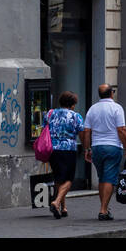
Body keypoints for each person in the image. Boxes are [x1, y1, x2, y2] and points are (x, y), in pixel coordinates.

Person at [83, 84, 126, 220]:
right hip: (113, 146)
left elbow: (87, 131)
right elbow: (121, 129)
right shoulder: (116, 108)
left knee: (102, 178)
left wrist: (87, 149)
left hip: (97, 147)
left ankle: (104, 207)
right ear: (111, 93)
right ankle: (103, 210)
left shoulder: (92, 109)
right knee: (109, 178)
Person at [42, 91, 86, 219]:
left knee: (58, 178)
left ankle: (63, 208)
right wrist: (85, 147)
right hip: (68, 150)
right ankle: (56, 202)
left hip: (52, 150)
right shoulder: (75, 116)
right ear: (72, 105)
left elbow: (44, 128)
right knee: (68, 180)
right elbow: (81, 132)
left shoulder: (50, 114)